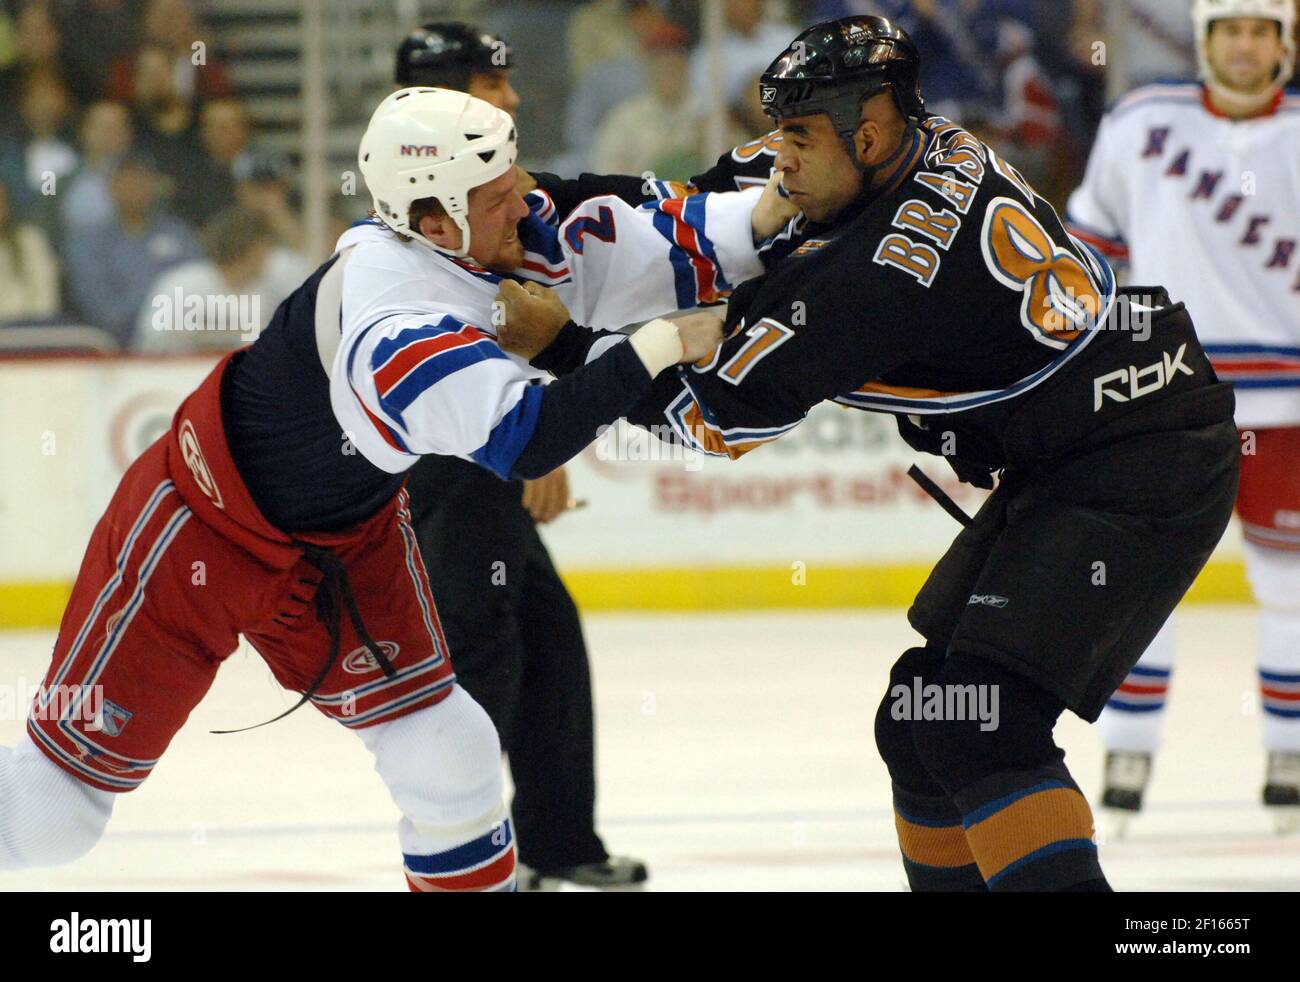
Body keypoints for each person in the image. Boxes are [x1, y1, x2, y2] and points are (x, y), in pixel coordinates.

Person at [495, 16, 1240, 892]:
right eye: (778, 131)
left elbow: (717, 419)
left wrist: (558, 348)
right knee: (919, 717)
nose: (779, 160)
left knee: (980, 725)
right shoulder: (886, 155)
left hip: (1141, 452)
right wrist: (518, 202)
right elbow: (681, 210)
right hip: (1089, 438)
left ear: (872, 133)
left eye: (797, 138)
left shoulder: (889, 273)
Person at [0, 85, 782, 889]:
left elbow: (631, 238)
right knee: (52, 818)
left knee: (453, 755)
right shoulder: (395, 322)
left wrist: (771, 211)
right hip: (197, 536)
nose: (526, 199)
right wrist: (655, 344)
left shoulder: (472, 231)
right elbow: (528, 440)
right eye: (499, 192)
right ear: (436, 218)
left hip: (348, 540)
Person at [393, 21, 646, 888]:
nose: (512, 96)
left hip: (477, 443)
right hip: (452, 453)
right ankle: (461, 853)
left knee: (540, 633)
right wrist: (527, 441)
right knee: (482, 648)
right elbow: (467, 322)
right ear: (448, 90)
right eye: (491, 82)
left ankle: (555, 847)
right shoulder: (425, 180)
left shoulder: (459, 171)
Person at [1066, 0, 1300, 833]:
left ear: (1285, 43)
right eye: (1229, 30)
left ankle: (1289, 760)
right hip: (1170, 400)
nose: (1244, 46)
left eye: (1260, 32)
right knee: (1143, 590)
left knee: (1291, 591)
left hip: (1288, 412)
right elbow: (1092, 247)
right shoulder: (1139, 123)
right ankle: (1126, 761)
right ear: (1205, 41)